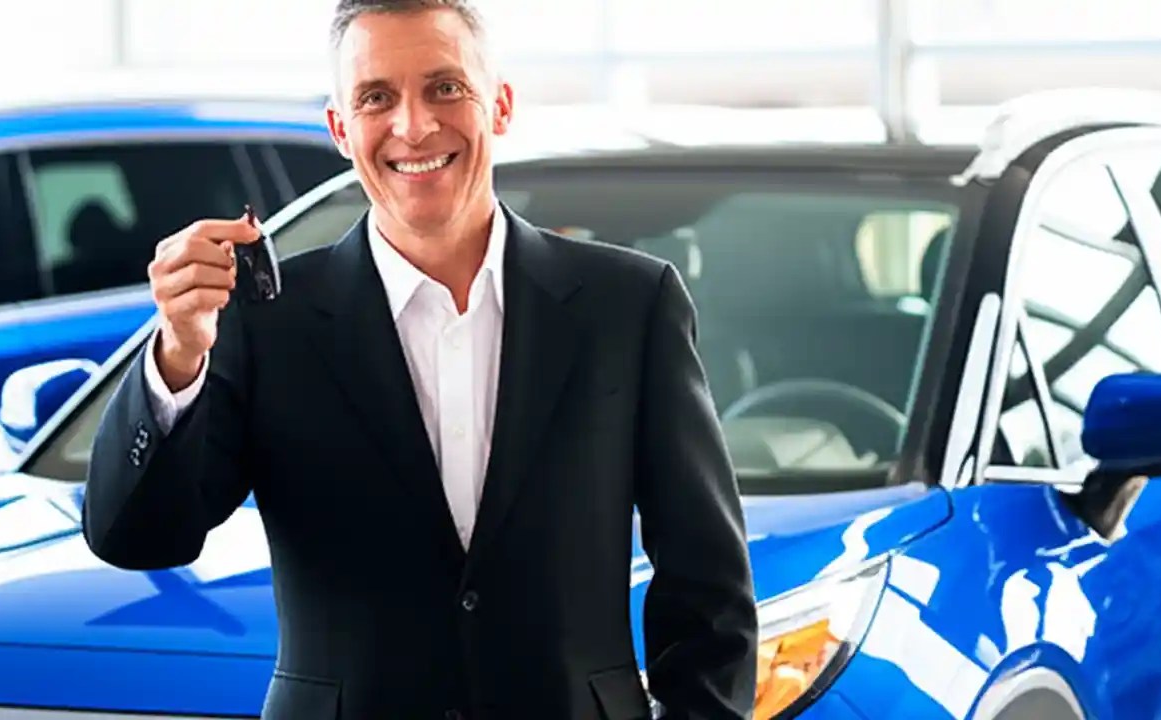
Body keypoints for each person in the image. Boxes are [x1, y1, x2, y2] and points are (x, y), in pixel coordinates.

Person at [81, 1, 757, 718]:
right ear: (341, 128)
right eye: (377, 97)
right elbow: (139, 539)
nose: (413, 126)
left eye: (444, 87)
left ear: (499, 104)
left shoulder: (628, 305)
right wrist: (180, 352)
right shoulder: (265, 319)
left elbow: (709, 597)